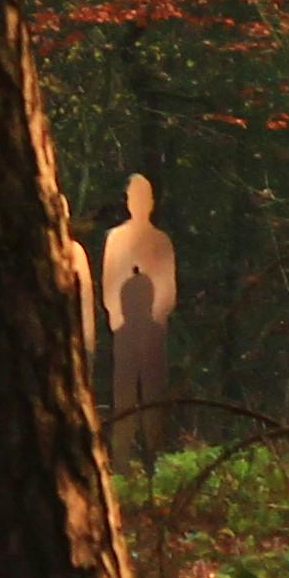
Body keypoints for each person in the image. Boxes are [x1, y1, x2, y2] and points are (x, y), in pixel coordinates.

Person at [97, 172, 178, 456]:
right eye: (134, 197)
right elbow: (109, 283)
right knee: (124, 397)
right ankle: (121, 460)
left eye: (145, 198)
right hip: (124, 331)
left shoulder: (161, 241)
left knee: (154, 395)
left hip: (153, 332)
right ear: (127, 201)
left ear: (152, 202)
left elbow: (168, 288)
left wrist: (155, 320)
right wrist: (119, 321)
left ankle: (154, 459)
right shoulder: (116, 239)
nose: (139, 203)